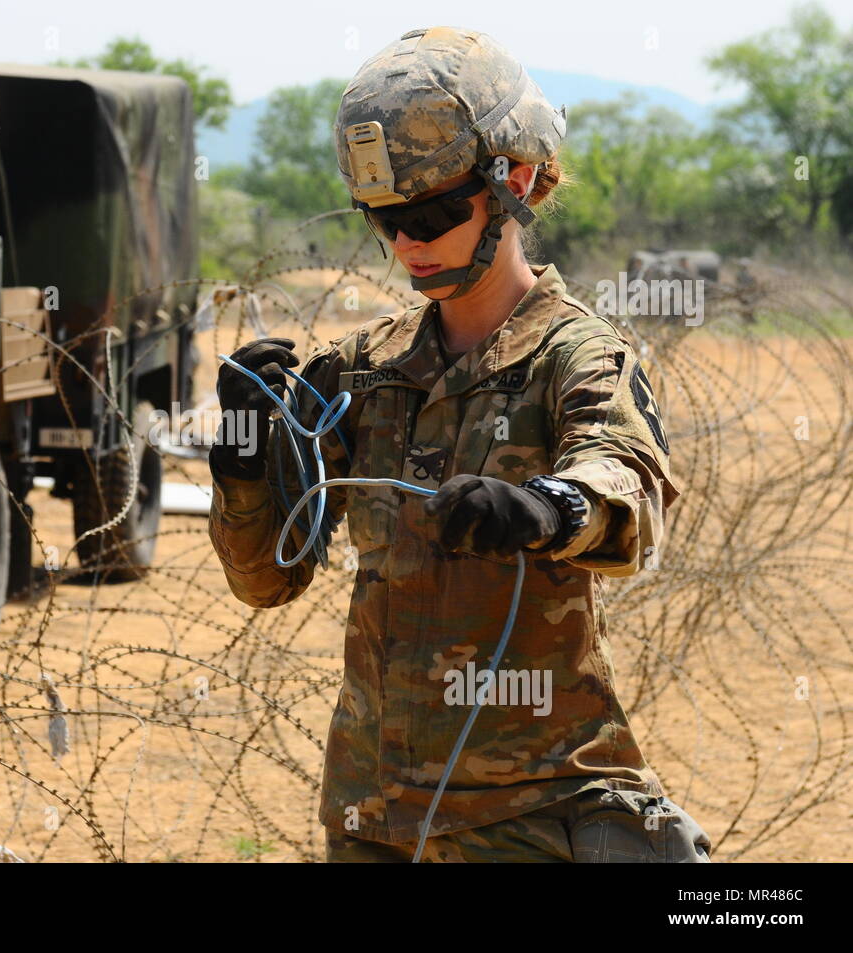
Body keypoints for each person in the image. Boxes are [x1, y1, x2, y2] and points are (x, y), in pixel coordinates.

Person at [207, 26, 712, 863]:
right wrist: (241, 454)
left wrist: (543, 508)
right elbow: (266, 577)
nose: (409, 243)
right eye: (386, 219)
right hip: (372, 811)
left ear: (513, 182)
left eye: (435, 212)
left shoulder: (577, 357)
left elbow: (626, 488)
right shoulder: (363, 371)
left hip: (524, 813)